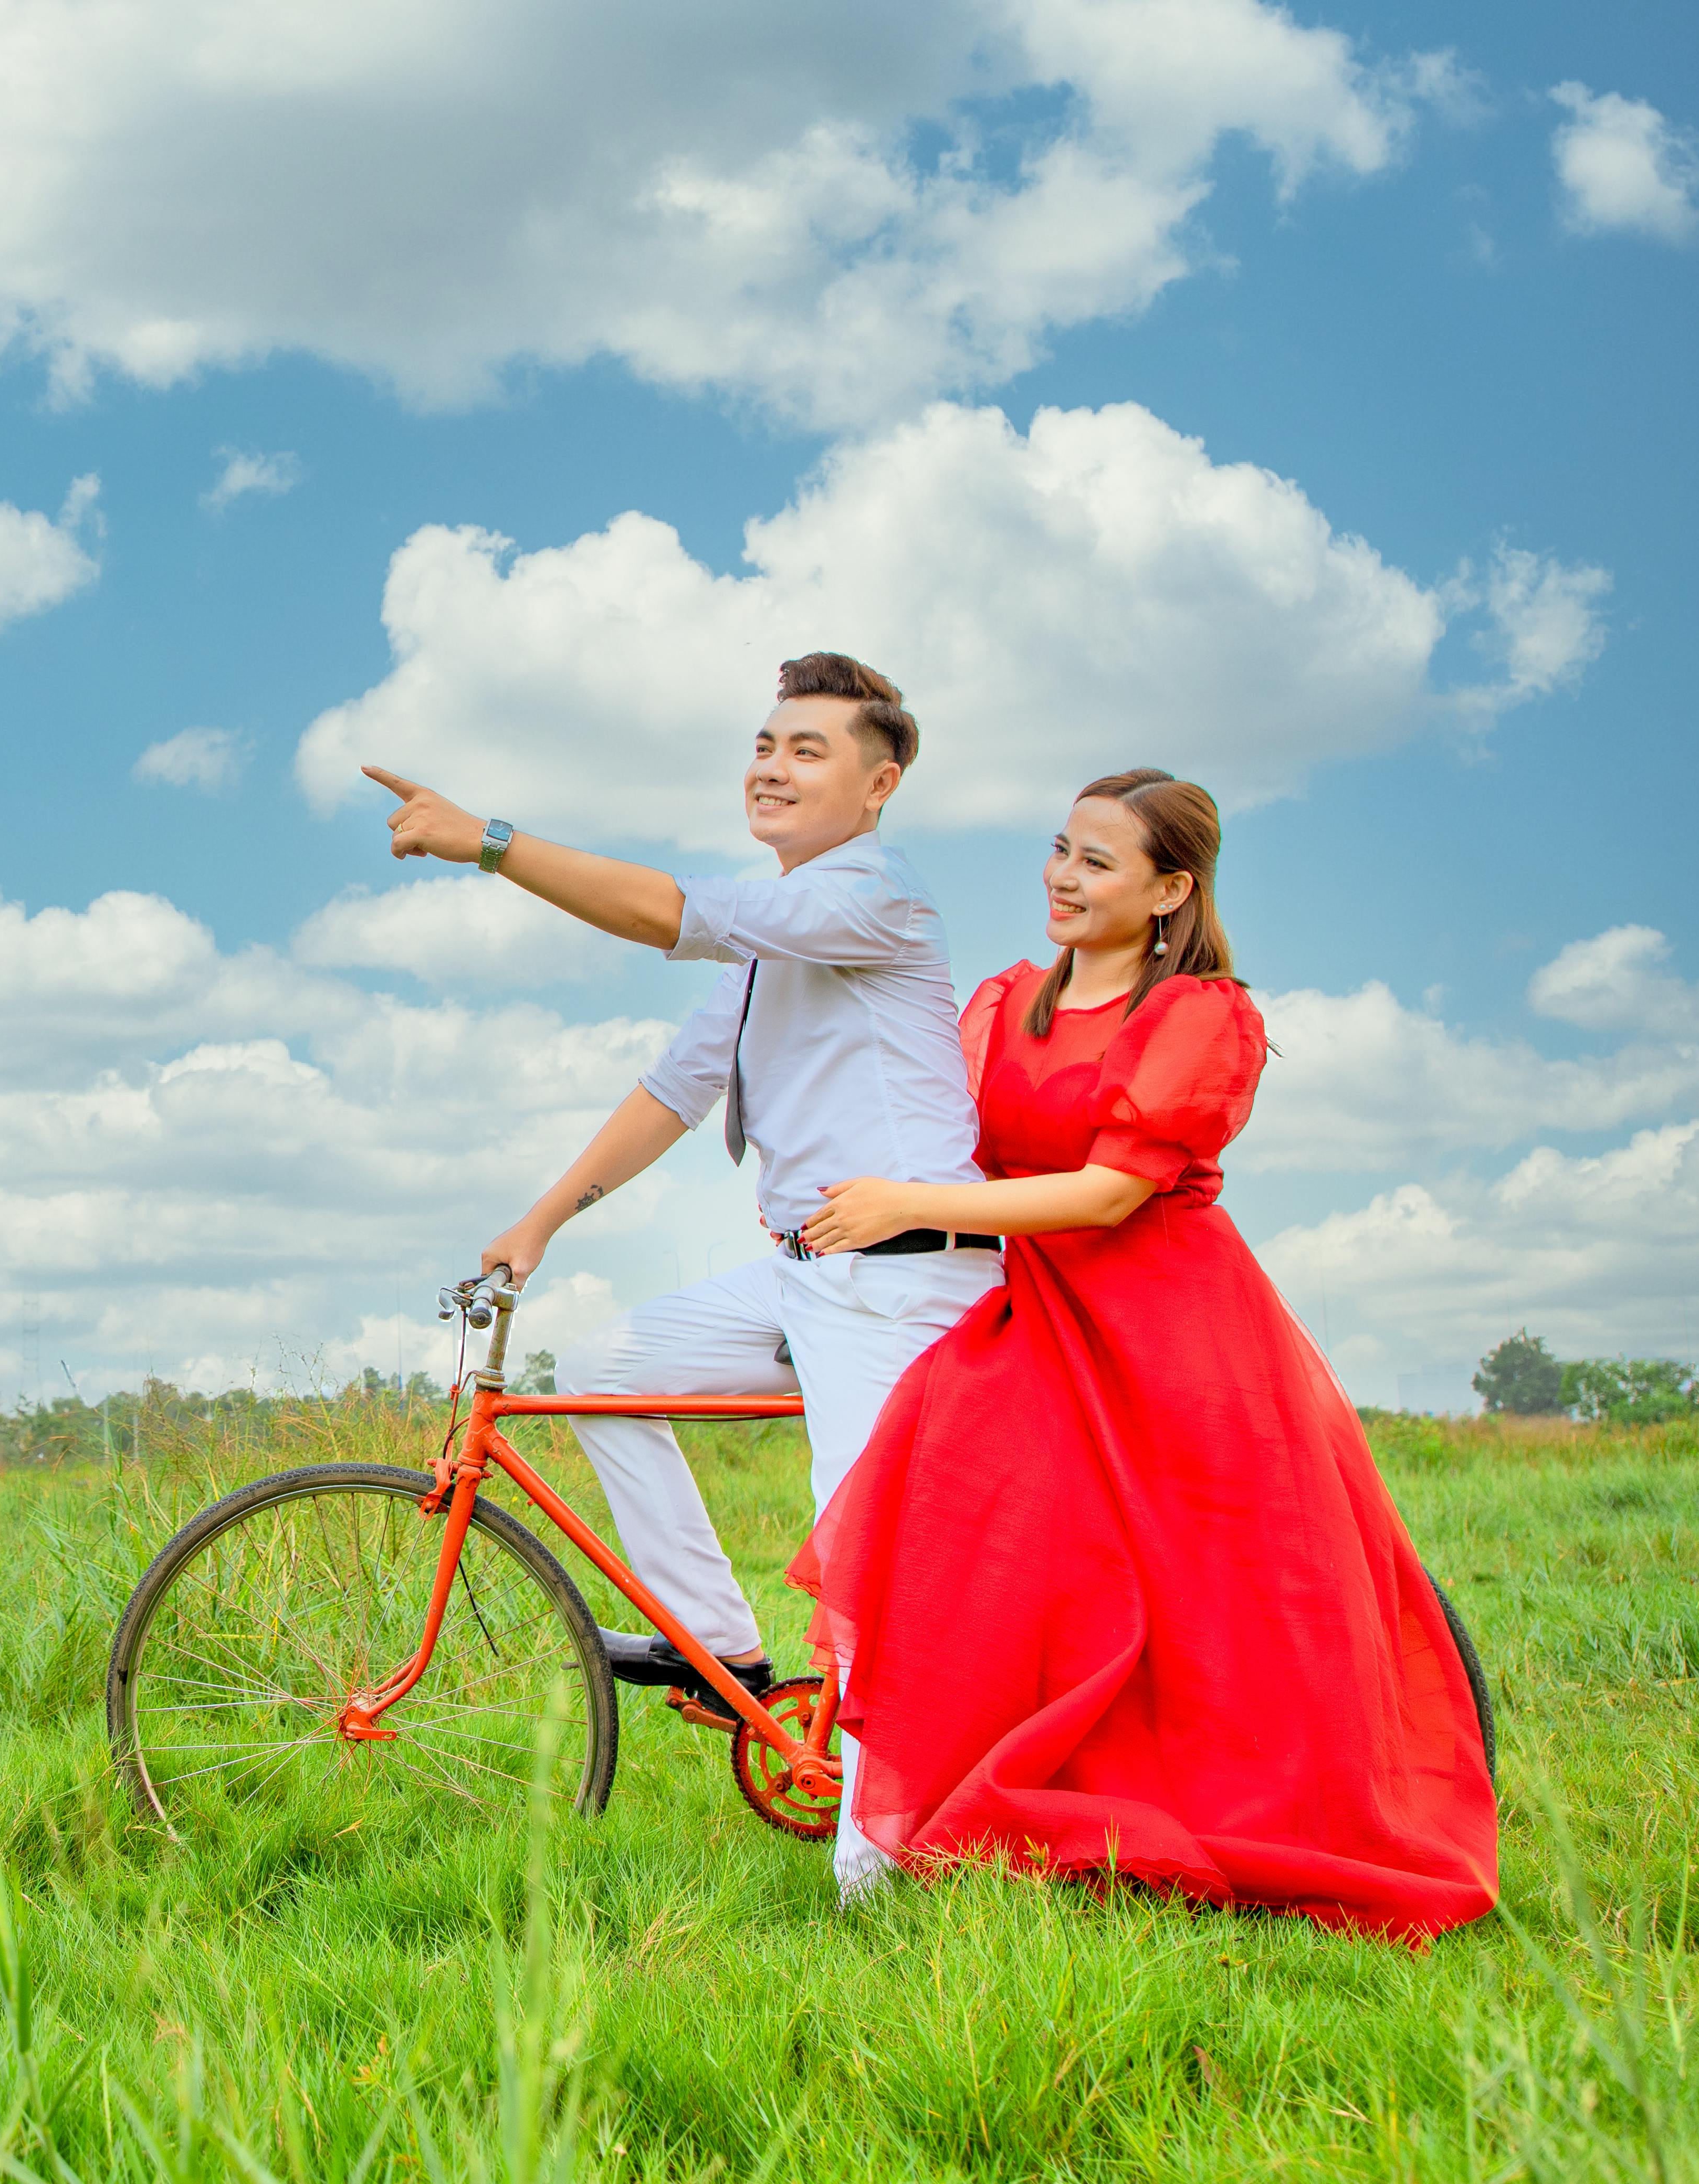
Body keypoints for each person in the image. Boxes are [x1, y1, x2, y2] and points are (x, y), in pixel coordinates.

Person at [787, 769, 1498, 1937]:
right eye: (1060, 851)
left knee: (1214, 1590)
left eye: (1098, 862)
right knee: (995, 1538)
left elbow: (1116, 1192)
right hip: (1033, 1307)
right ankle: (981, 1816)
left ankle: (1237, 1814)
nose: (1064, 878)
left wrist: (903, 1203)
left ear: (1172, 889)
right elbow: (947, 1141)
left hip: (1173, 1328)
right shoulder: (1005, 999)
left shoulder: (1201, 1014)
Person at [364, 653, 1003, 1725]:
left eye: (809, 751)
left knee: (869, 1574)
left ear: (880, 785)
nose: (774, 768)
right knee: (613, 1362)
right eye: (764, 745)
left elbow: (666, 911)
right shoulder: (775, 938)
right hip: (814, 1273)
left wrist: (489, 842)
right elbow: (676, 1088)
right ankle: (715, 1645)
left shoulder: (872, 898)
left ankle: (883, 1854)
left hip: (903, 1284)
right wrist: (544, 1218)